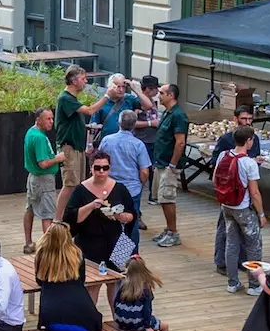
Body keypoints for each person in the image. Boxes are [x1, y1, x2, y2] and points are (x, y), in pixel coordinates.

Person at [34, 224, 102, 331]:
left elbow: (39, 281)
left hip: (51, 321)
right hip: (83, 323)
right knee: (95, 321)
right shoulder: (77, 255)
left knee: (71, 320)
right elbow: (82, 279)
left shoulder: (41, 255)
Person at [61, 149, 137, 268]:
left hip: (117, 242)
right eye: (97, 168)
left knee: (117, 281)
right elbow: (70, 217)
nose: (101, 171)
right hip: (89, 242)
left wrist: (122, 217)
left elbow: (132, 214)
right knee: (91, 282)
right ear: (91, 168)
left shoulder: (119, 188)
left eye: (105, 168)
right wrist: (90, 206)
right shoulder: (80, 190)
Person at [214, 129, 265, 295]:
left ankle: (233, 282)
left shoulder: (223, 155)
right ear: (249, 141)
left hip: (226, 206)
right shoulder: (249, 163)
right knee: (253, 246)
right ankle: (254, 285)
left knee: (231, 243)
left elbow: (216, 178)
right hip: (244, 208)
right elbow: (255, 193)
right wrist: (262, 214)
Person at [98, 110, 152, 245]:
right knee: (131, 224)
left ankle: (111, 256)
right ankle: (131, 258)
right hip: (132, 190)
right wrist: (140, 183)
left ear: (119, 123)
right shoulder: (138, 144)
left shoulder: (107, 140)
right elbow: (144, 172)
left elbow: (99, 162)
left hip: (110, 188)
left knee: (110, 221)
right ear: (134, 125)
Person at [111, 253, 169, 331]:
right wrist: (148, 327)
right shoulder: (145, 288)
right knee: (164, 327)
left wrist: (118, 318)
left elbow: (115, 302)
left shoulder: (124, 285)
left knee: (137, 316)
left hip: (121, 321)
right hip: (138, 323)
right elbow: (147, 310)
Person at [149, 83, 189, 247]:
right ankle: (168, 229)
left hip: (168, 165)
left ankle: (173, 233)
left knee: (167, 199)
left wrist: (172, 165)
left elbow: (180, 142)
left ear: (171, 95)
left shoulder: (178, 115)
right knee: (161, 198)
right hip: (161, 163)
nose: (159, 95)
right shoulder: (167, 113)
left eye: (162, 93)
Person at [53, 65, 102, 184]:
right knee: (70, 184)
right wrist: (107, 96)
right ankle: (61, 204)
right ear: (74, 81)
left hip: (77, 147)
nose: (86, 81)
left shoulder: (73, 99)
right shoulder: (65, 98)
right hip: (69, 147)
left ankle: (74, 204)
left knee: (78, 184)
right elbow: (90, 111)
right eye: (83, 78)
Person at [22, 106, 61, 251]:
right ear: (38, 120)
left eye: (52, 118)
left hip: (33, 178)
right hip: (44, 180)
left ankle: (28, 242)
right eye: (48, 119)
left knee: (30, 208)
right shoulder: (39, 138)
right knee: (48, 215)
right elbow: (43, 163)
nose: (51, 122)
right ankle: (50, 250)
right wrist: (58, 158)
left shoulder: (30, 132)